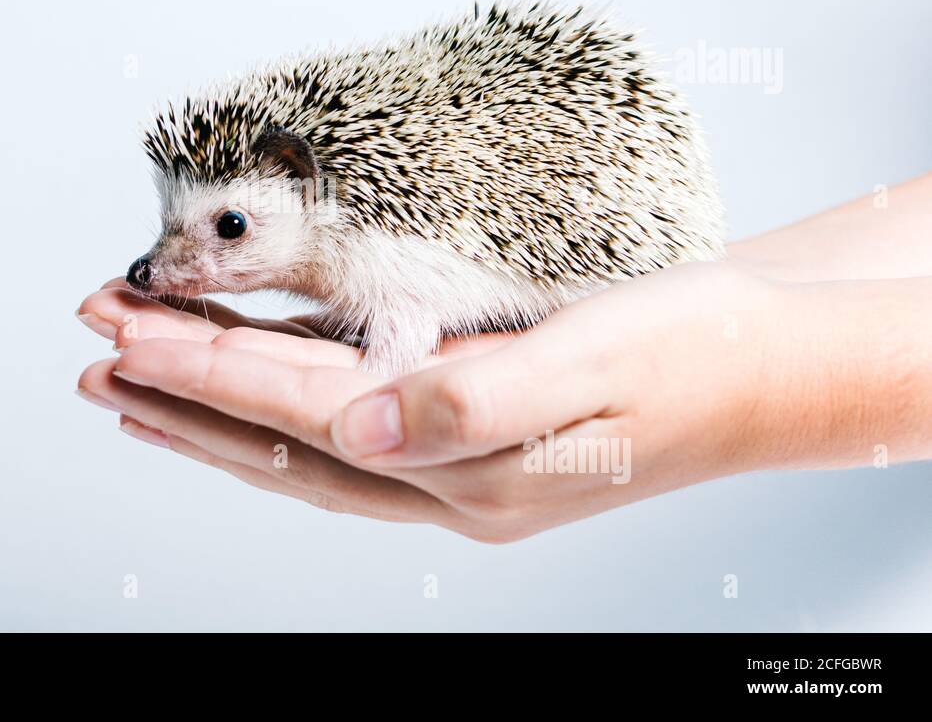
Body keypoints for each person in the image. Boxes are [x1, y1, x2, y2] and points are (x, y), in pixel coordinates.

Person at [76, 174, 932, 543]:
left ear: (315, 191)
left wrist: (772, 380)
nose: (164, 270)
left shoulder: (381, 250)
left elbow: (401, 330)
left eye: (228, 230)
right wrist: (776, 285)